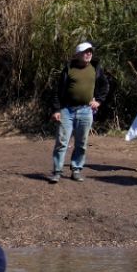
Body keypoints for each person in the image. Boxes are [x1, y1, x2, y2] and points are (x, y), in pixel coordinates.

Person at [49, 41, 108, 182]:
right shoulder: (68, 68)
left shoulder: (96, 68)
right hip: (67, 110)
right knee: (62, 142)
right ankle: (57, 171)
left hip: (86, 111)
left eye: (90, 51)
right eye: (85, 51)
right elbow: (58, 91)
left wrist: (98, 101)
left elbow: (105, 85)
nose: (88, 54)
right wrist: (56, 109)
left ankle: (76, 169)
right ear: (77, 55)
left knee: (81, 142)